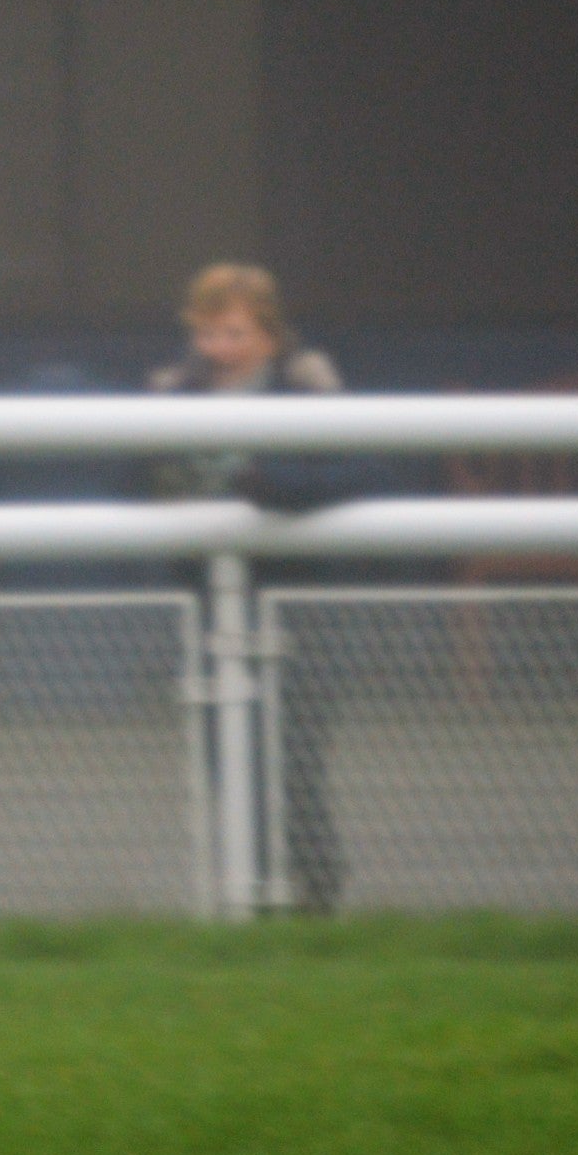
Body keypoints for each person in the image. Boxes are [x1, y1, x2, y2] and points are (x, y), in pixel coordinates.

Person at [148, 262, 355, 916]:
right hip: (207, 596)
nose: (218, 349)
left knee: (295, 753)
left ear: (270, 334)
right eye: (207, 333)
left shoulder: (308, 392)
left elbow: (359, 468)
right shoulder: (170, 394)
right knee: (223, 756)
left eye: (233, 333)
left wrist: (279, 489)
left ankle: (317, 891)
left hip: (293, 599)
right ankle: (250, 892)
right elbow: (132, 478)